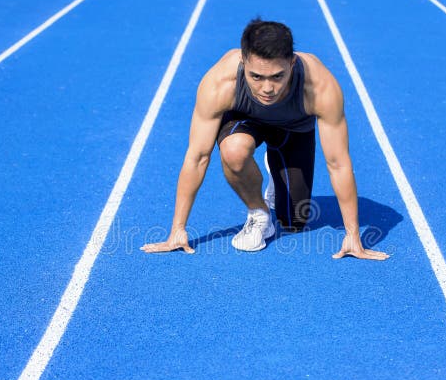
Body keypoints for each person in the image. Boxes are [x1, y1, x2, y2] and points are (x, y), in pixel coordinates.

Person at [141, 19, 389, 260]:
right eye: (256, 77)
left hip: (293, 129)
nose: (267, 88)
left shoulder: (320, 88)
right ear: (243, 62)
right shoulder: (219, 83)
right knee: (234, 151)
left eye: (277, 77)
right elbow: (197, 157)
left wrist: (353, 235)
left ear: (292, 63)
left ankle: (274, 166)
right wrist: (177, 230)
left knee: (294, 222)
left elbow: (338, 163)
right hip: (246, 121)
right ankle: (258, 213)